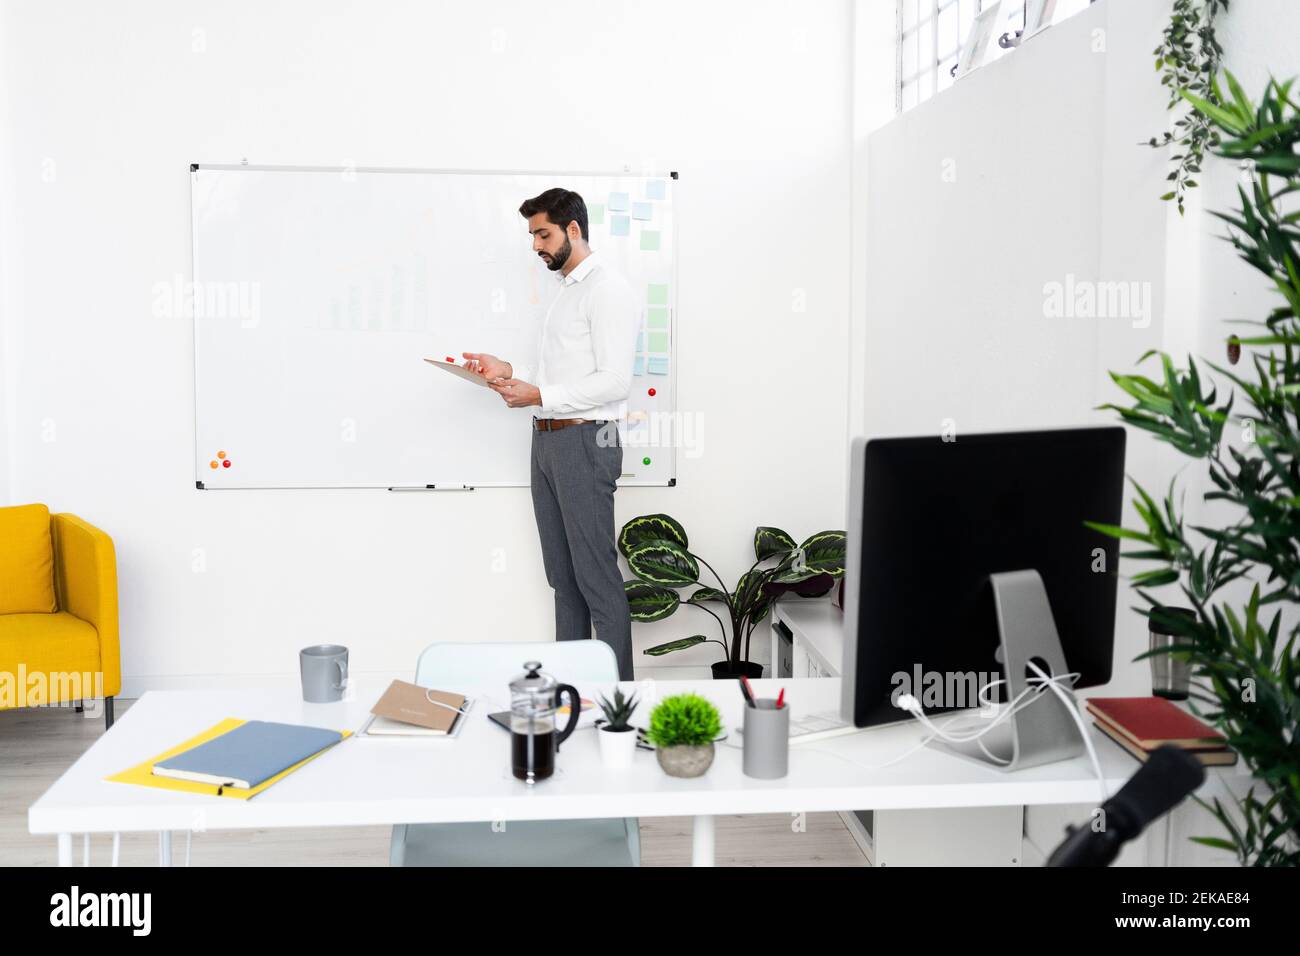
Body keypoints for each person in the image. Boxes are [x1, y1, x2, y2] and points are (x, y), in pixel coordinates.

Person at [463, 188, 638, 680]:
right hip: (548, 442)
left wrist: (538, 395)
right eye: (533, 236)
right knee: (563, 580)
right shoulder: (568, 290)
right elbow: (568, 371)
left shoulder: (607, 289)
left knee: (597, 580)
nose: (536, 245)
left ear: (574, 230)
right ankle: (575, 694)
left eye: (543, 234)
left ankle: (617, 703)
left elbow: (614, 381)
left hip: (584, 441)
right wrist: (510, 370)